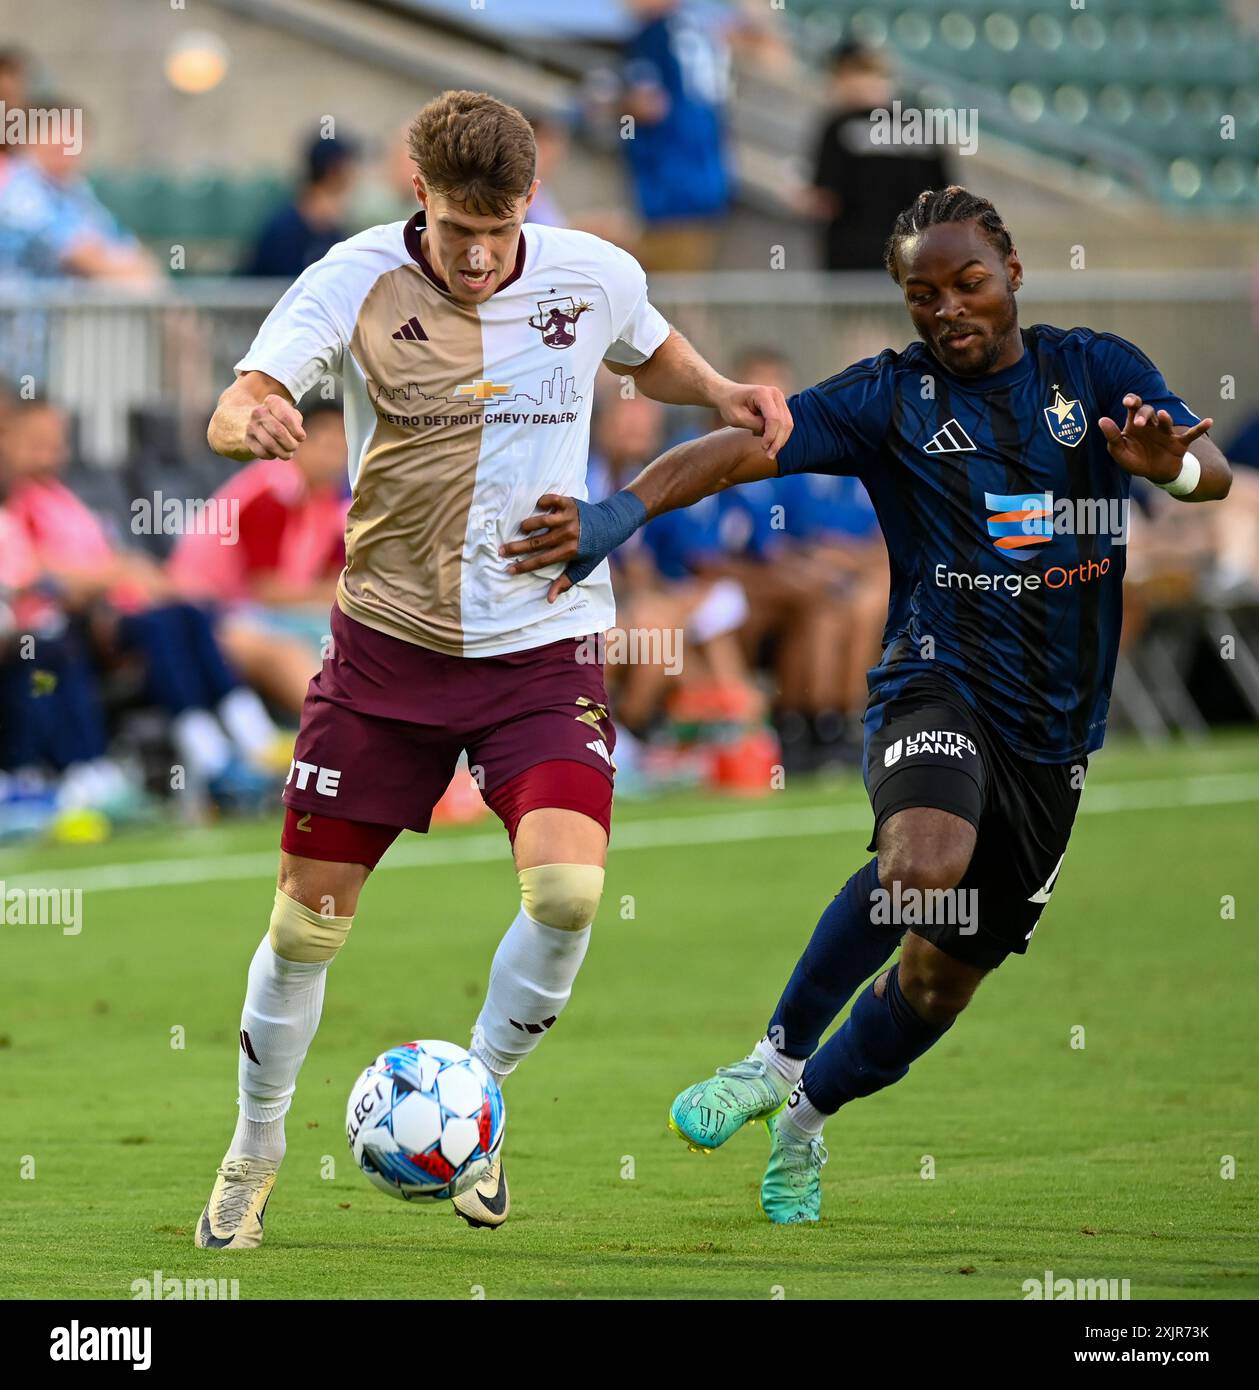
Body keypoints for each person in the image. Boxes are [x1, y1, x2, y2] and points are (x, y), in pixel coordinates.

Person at [502, 185, 1231, 1223]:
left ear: (1012, 272)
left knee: (938, 981)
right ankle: (773, 1054)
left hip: (1052, 736)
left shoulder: (1094, 371)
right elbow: (746, 444)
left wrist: (1179, 472)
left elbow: (1201, 463)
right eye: (920, 294)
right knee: (920, 862)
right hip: (933, 680)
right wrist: (615, 512)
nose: (946, 309)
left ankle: (804, 1115)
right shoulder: (891, 396)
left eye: (967, 282)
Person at [194, 88, 789, 1248]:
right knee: (308, 929)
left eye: (501, 229)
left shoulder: (587, 268)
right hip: (384, 649)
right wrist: (248, 413)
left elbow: (649, 347)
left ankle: (475, 1103)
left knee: (566, 893)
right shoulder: (352, 276)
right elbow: (251, 389)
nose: (479, 255)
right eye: (459, 227)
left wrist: (718, 392)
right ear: (417, 192)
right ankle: (253, 1147)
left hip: (541, 645)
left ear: (528, 203)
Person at [168, 396, 350, 716]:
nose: (335, 453)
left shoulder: (327, 501)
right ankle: (339, 742)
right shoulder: (272, 492)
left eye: (343, 441)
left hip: (263, 613)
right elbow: (268, 592)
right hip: (207, 617)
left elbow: (330, 580)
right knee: (291, 653)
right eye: (325, 439)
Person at [805, 42, 949, 272]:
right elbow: (945, 201)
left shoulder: (841, 126)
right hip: (916, 264)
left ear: (845, 76)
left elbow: (826, 201)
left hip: (854, 262)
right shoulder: (920, 125)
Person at [620, 0, 733, 271]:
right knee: (686, 291)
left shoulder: (654, 35)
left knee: (669, 298)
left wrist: (612, 103)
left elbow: (650, 106)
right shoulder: (697, 28)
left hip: (670, 183)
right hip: (705, 178)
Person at [242, 131, 362, 280]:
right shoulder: (282, 230)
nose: (355, 175)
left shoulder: (335, 232)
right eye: (349, 167)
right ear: (333, 171)